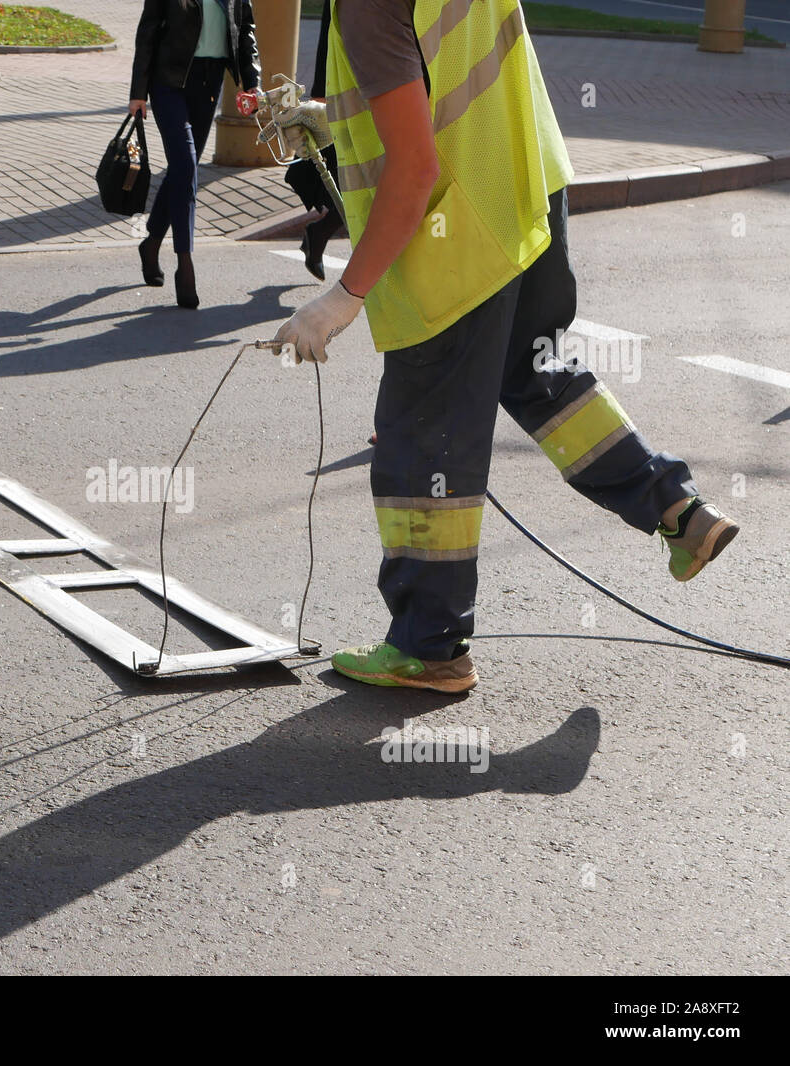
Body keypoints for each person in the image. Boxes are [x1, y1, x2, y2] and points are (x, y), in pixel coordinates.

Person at [270, 0, 738, 693]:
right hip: (529, 196)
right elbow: (444, 76)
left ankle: (429, 647)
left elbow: (415, 169)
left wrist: (345, 296)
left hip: (457, 236)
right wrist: (334, 113)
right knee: (536, 373)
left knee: (421, 441)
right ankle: (676, 508)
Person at [129, 0, 261, 309]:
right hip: (168, 82)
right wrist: (138, 92)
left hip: (209, 81)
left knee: (181, 171)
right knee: (186, 166)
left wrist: (253, 83)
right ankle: (184, 264)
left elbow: (245, 31)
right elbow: (147, 31)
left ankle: (151, 244)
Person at [283, 0, 343, 280]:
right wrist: (320, 91)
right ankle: (318, 234)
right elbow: (330, 24)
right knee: (355, 184)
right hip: (349, 90)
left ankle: (318, 234)